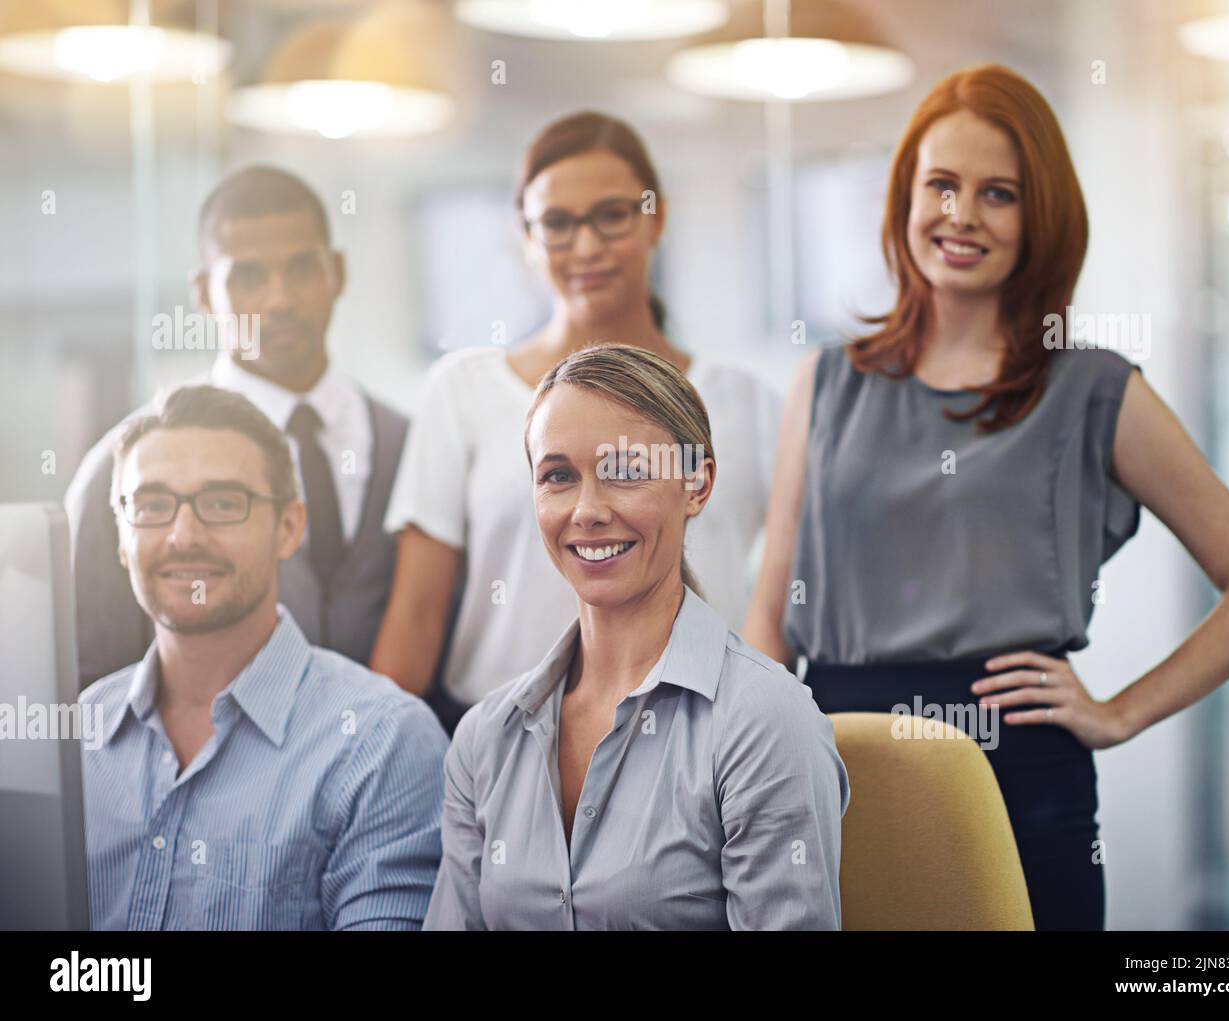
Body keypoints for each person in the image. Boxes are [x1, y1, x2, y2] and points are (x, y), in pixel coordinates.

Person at [743, 63, 1229, 931]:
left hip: (1019, 780)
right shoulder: (827, 381)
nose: (962, 214)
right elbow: (770, 617)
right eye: (942, 185)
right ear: (905, 197)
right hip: (832, 769)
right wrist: (744, 775)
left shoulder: (1095, 391)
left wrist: (1120, 712)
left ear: (1038, 219)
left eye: (997, 193)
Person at [372, 112, 779, 731]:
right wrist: (367, 758)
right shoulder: (463, 390)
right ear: (527, 237)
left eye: (612, 216)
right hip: (497, 740)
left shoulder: (744, 402)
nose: (586, 247)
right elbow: (416, 613)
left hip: (700, 738)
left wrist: (762, 727)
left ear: (656, 217)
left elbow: (785, 606)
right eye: (558, 224)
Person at [424, 345, 848, 930]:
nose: (587, 510)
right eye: (558, 476)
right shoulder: (484, 738)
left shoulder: (763, 721)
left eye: (625, 471)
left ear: (696, 484)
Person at [79, 385, 446, 930]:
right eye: (153, 505)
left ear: (289, 527)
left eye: (223, 503)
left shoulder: (382, 744)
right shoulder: (78, 736)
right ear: (121, 535)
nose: (184, 536)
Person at [65, 165, 408, 688]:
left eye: (301, 269)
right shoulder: (126, 470)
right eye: (248, 276)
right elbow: (94, 680)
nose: (279, 300)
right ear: (202, 293)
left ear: (336, 272)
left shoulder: (412, 445)